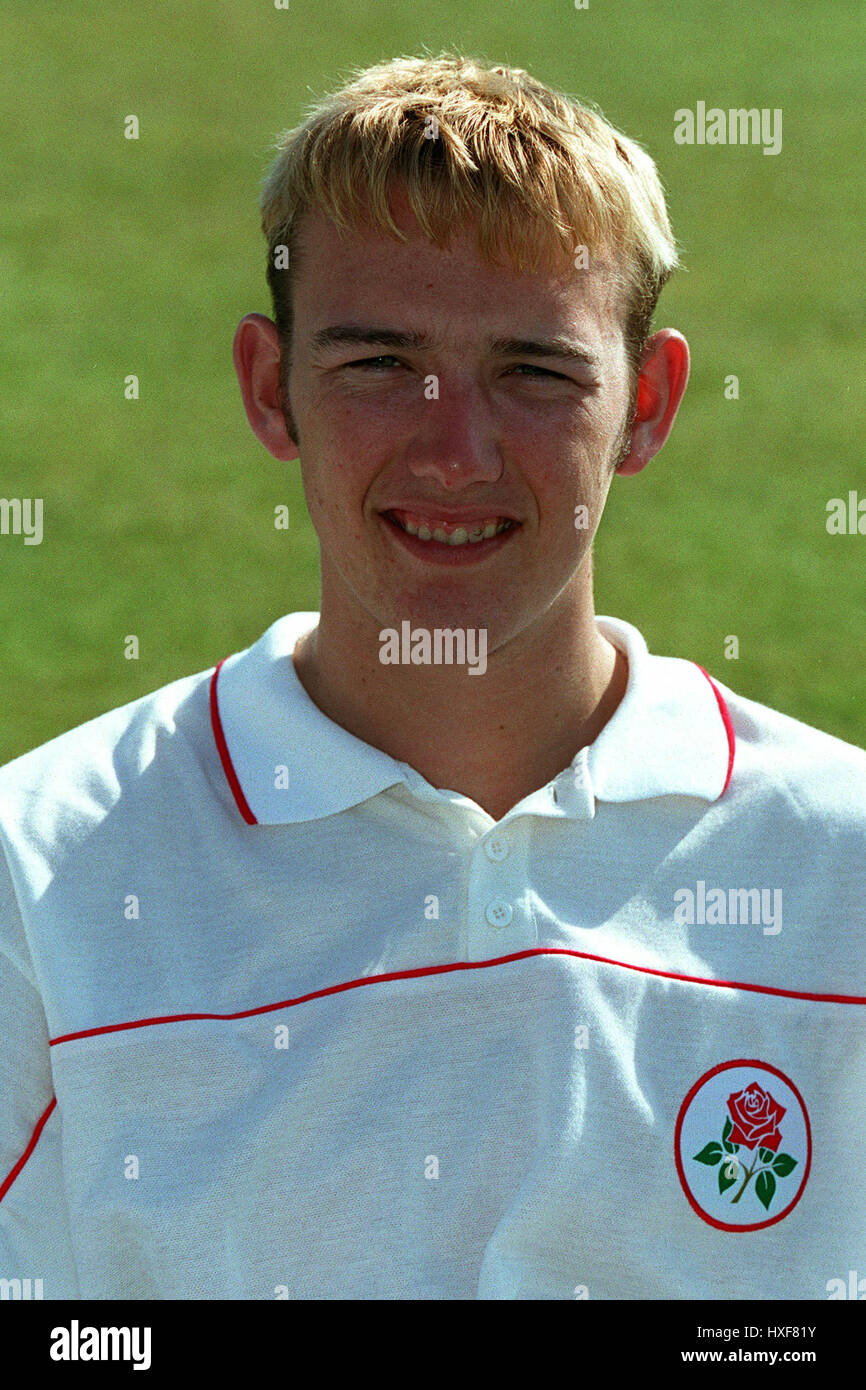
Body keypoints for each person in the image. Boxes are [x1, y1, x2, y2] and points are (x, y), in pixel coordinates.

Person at [1, 52, 864, 1301]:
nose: (453, 450)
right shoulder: (40, 883)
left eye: (533, 372)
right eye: (373, 364)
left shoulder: (838, 868)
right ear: (268, 386)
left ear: (647, 408)